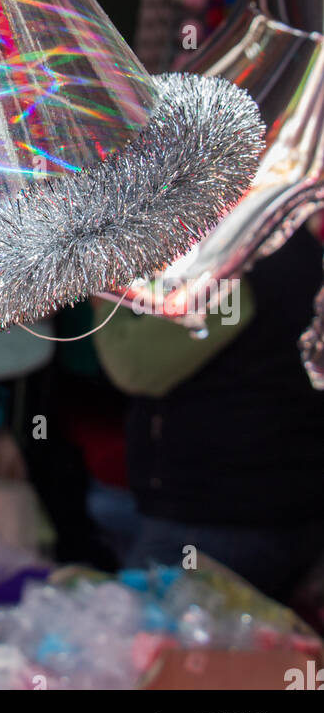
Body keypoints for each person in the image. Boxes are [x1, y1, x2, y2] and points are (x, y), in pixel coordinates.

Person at [94, 224, 324, 604]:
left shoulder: (238, 256)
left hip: (219, 520)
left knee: (142, 648)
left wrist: (103, 288)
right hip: (260, 507)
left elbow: (133, 362)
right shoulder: (279, 237)